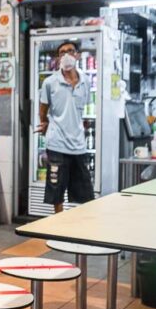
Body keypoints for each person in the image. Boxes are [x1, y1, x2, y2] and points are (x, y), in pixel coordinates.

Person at [37, 40, 93, 213]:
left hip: (78, 145)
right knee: (57, 191)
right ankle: (58, 226)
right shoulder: (49, 82)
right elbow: (43, 110)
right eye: (62, 52)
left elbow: (81, 110)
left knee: (84, 193)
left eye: (70, 51)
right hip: (57, 145)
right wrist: (45, 124)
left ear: (77, 55)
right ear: (58, 58)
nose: (67, 55)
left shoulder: (85, 81)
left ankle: (80, 227)